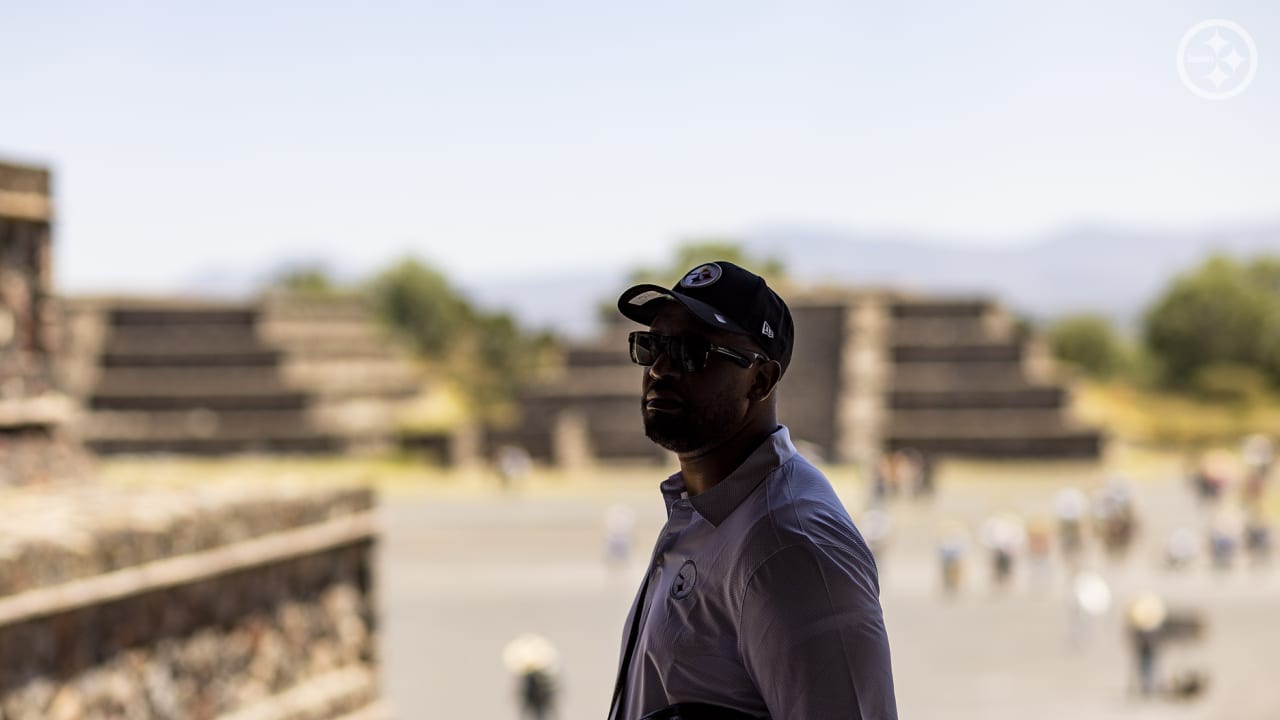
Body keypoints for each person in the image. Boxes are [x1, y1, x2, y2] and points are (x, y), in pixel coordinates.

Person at [608, 261, 897, 720]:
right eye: (652, 346)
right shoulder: (704, 510)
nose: (660, 369)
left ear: (760, 380)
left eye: (690, 352)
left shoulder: (791, 547)